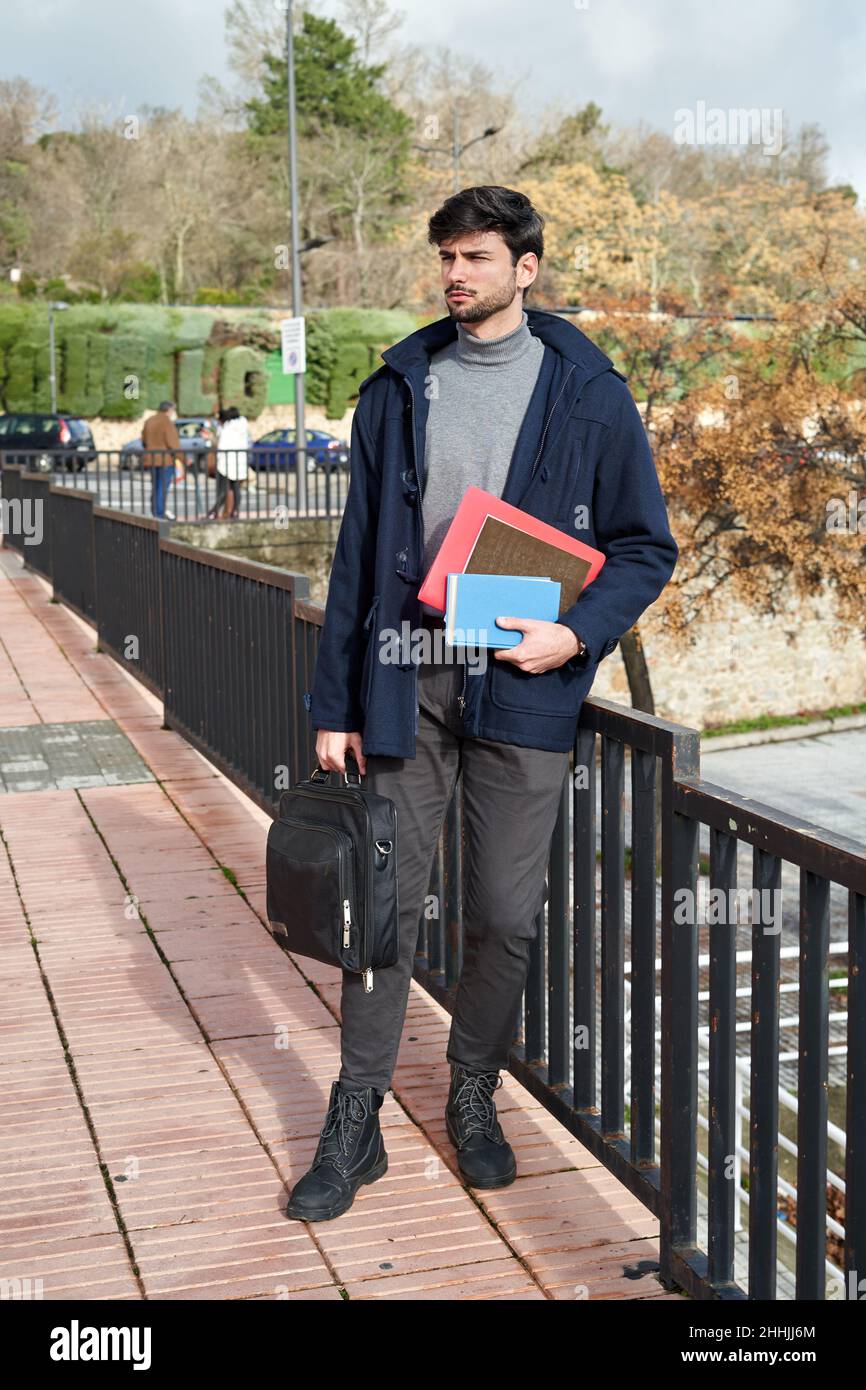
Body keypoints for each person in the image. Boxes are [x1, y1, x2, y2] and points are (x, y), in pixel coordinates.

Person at [290, 186, 679, 1223]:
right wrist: (333, 706)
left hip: (524, 690)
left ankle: (471, 1085)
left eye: (475, 257)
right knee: (377, 910)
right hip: (400, 684)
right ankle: (355, 1114)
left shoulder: (589, 391)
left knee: (504, 915)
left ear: (525, 268)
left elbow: (646, 545)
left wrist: (577, 631)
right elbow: (357, 559)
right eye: (447, 258)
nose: (455, 274)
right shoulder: (398, 385)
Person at [140, 400, 185, 519]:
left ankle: (155, 511)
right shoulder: (167, 423)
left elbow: (144, 440)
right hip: (165, 460)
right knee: (162, 488)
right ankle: (159, 513)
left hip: (152, 459)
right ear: (169, 410)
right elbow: (173, 444)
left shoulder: (149, 421)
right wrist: (183, 459)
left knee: (155, 486)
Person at [212, 405, 250, 520]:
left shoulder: (227, 429)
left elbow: (221, 446)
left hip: (226, 462)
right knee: (236, 488)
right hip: (239, 461)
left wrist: (211, 439)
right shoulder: (243, 427)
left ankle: (215, 511)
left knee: (223, 489)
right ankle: (235, 511)